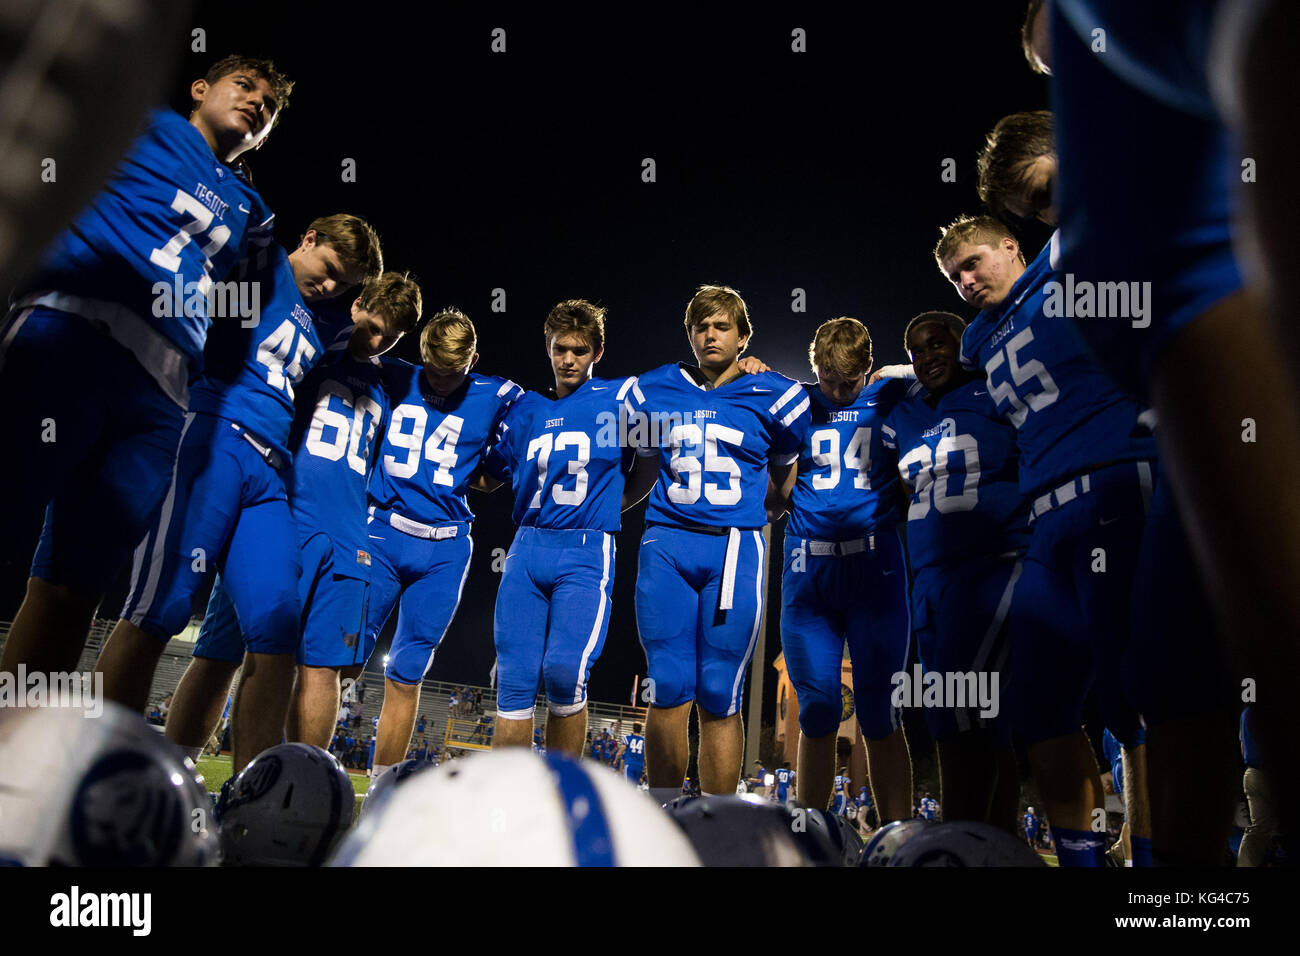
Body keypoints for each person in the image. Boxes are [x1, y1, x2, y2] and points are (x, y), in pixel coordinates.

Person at [977, 104, 1242, 862]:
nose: (1050, 210)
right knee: (1039, 706)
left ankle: (1184, 882)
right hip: (1050, 510)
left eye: (1046, 189)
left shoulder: (1134, 203)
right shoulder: (1008, 309)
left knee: (1165, 691)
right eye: (1034, 208)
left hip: (1130, 480)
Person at [0, 55, 291, 683]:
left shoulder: (253, 212)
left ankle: (13, 750)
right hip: (73, 327)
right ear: (200, 88)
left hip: (158, 394)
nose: (256, 104)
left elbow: (237, 312)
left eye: (268, 107)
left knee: (75, 584)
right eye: (245, 87)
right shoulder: (140, 123)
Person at [100, 215, 381, 771]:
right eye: (329, 270)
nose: (330, 287)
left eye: (344, 284)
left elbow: (378, 331)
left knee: (276, 629)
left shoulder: (321, 320)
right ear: (308, 238)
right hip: (216, 437)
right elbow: (234, 222)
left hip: (270, 471)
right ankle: (97, 764)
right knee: (159, 609)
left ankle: (258, 792)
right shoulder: (261, 262)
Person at [935, 214, 1156, 866]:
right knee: (1038, 708)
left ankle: (1157, 865)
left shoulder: (1062, 269)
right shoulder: (975, 339)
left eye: (974, 262)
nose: (967, 280)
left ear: (1012, 246)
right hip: (1047, 521)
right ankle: (1083, 860)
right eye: (955, 276)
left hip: (1117, 488)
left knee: (1133, 698)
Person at [623, 285, 809, 801]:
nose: (710, 334)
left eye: (721, 325)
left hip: (733, 549)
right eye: (700, 326)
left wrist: (756, 512)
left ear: (743, 335)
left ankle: (717, 820)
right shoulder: (654, 387)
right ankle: (662, 809)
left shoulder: (775, 391)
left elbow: (786, 476)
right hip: (665, 543)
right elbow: (626, 455)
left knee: (719, 691)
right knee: (667, 682)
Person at [880, 311, 1027, 829]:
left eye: (938, 343)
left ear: (963, 342)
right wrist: (900, 372)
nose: (928, 356)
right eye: (918, 350)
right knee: (962, 717)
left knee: (963, 708)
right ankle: (997, 845)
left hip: (991, 565)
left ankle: (959, 842)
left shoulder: (998, 388)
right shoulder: (905, 413)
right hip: (930, 576)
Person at [365, 309, 521, 783]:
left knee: (408, 671)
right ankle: (305, 767)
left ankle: (379, 787)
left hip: (443, 548)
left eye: (453, 372)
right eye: (433, 369)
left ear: (473, 358)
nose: (441, 381)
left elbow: (504, 464)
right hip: (383, 531)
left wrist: (485, 470)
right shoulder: (393, 374)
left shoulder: (499, 395)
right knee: (341, 657)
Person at [767, 317, 913, 820]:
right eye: (827, 380)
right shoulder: (797, 400)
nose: (835, 391)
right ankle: (812, 833)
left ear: (868, 367)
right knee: (818, 711)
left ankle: (897, 836)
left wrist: (898, 370)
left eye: (847, 382)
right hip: (810, 571)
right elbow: (775, 487)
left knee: (879, 713)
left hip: (876, 569)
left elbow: (950, 369)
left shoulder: (891, 393)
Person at [480, 300, 636, 755]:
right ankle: (512, 804)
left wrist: (618, 502)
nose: (568, 360)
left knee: (566, 671)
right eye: (560, 349)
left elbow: (651, 457)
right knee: (513, 679)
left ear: (598, 352)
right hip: (526, 546)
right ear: (547, 348)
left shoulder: (620, 399)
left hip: (585, 549)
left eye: (579, 351)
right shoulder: (526, 409)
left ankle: (562, 796)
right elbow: (489, 476)